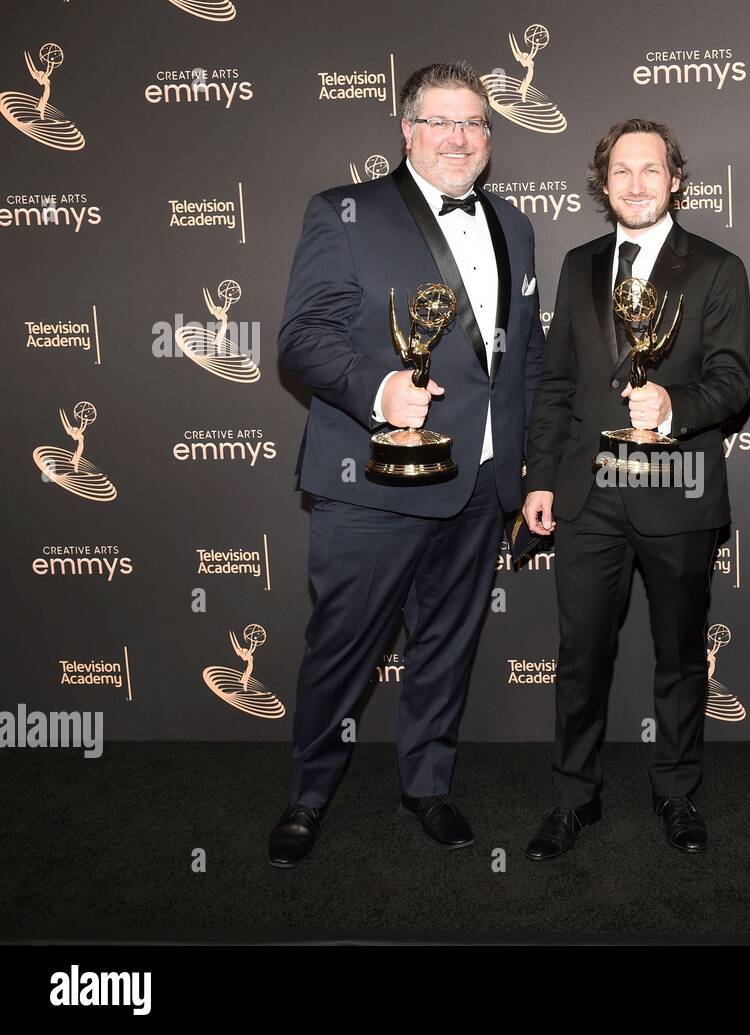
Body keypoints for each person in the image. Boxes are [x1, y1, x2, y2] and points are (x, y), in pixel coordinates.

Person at [269, 61, 545, 867]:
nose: (460, 138)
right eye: (442, 122)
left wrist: (521, 471)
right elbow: (302, 336)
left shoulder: (516, 226)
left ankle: (427, 784)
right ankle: (307, 796)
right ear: (407, 129)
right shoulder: (344, 213)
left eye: (475, 124)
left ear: (489, 138)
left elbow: (521, 359)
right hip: (374, 484)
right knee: (343, 647)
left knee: (446, 647)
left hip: (477, 489)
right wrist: (380, 386)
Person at [522, 118, 750, 859]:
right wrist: (541, 479)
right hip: (588, 496)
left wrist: (675, 409)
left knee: (681, 653)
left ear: (676, 178)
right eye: (621, 171)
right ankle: (572, 796)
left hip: (677, 491)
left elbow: (733, 382)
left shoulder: (716, 267)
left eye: (650, 170)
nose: (636, 184)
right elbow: (556, 382)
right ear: (603, 182)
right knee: (581, 651)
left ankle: (677, 791)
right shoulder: (579, 263)